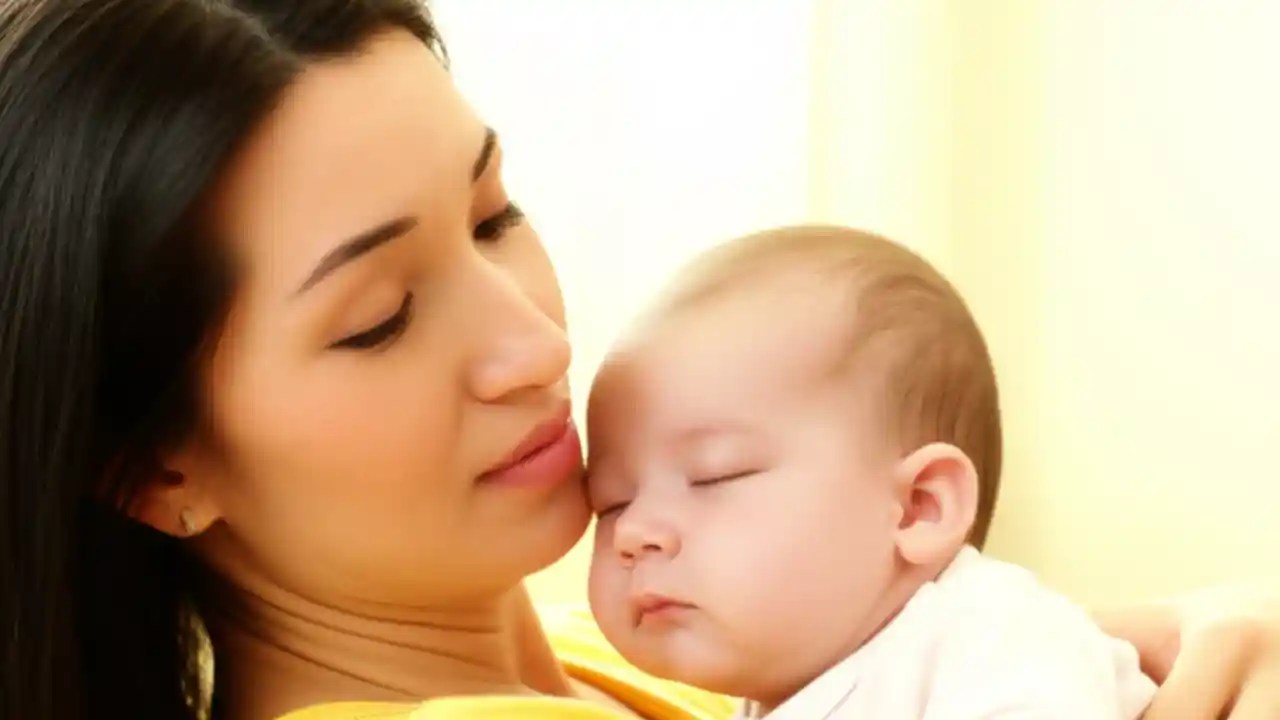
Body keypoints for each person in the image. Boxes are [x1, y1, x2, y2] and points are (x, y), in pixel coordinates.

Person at [0, 1, 1278, 719]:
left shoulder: (621, 648)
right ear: (149, 471)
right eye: (380, 317)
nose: (535, 342)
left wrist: (1205, 627)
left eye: (494, 215)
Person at [585, 225, 1156, 717]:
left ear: (918, 507)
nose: (634, 534)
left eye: (715, 477)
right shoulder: (790, 691)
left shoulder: (993, 637)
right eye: (610, 503)